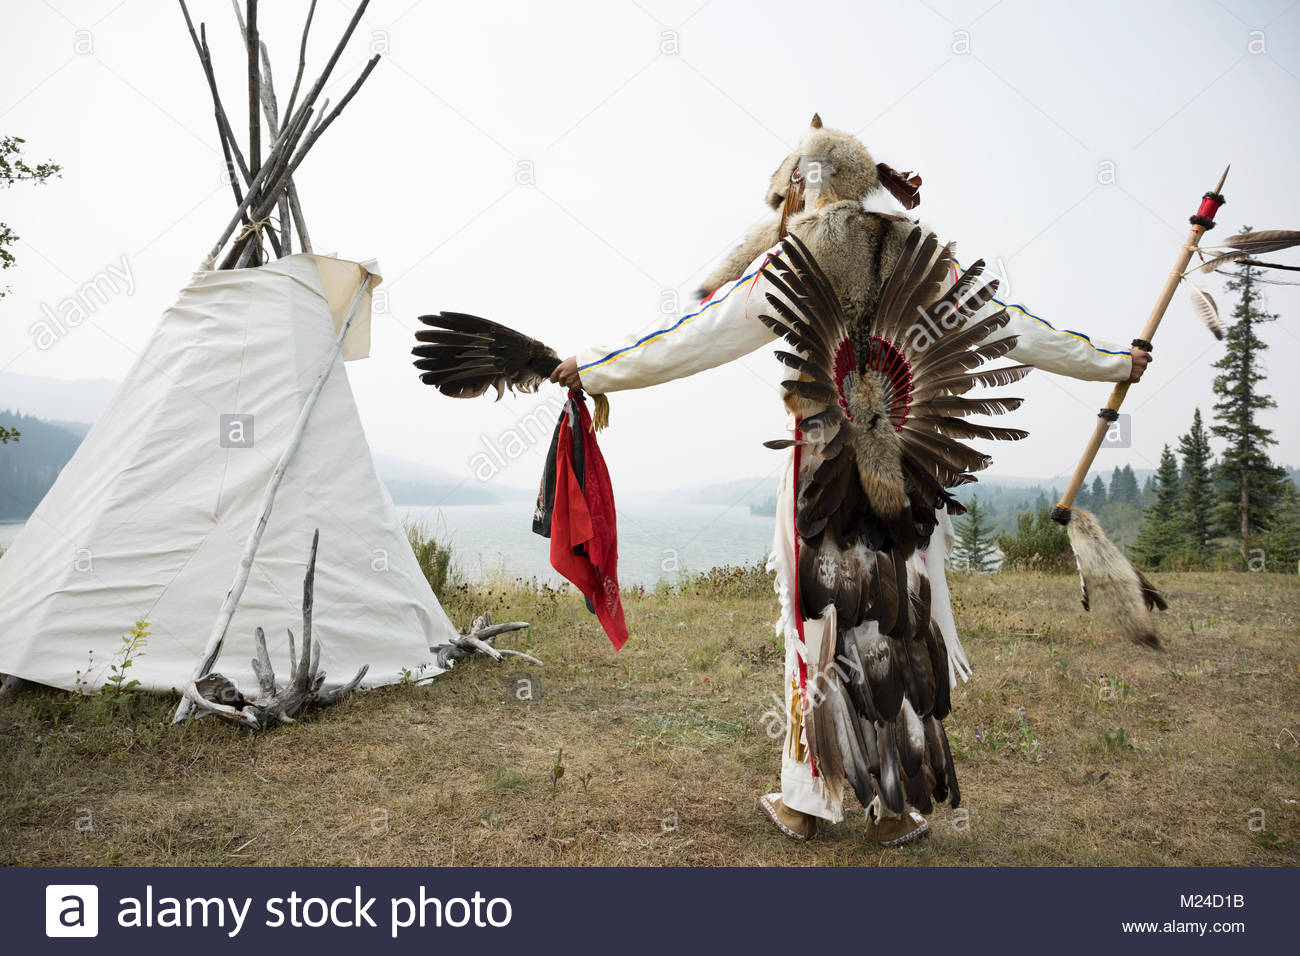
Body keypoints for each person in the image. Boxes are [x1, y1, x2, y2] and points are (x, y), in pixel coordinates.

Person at [549, 116, 1149, 845]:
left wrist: (598, 364)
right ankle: (895, 808)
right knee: (898, 625)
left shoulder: (797, 257)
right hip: (908, 475)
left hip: (825, 477)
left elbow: (696, 338)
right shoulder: (922, 255)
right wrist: (1112, 362)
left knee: (821, 632)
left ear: (805, 186)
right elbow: (1013, 324)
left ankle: (809, 801)